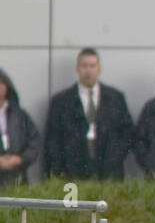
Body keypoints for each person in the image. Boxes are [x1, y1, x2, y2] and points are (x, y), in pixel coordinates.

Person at [44, 49, 134, 180]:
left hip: (109, 174)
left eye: (92, 66)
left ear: (99, 68)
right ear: (77, 69)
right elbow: (53, 139)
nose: (88, 71)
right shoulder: (61, 101)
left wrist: (114, 157)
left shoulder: (116, 98)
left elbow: (127, 134)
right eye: (84, 66)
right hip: (72, 173)